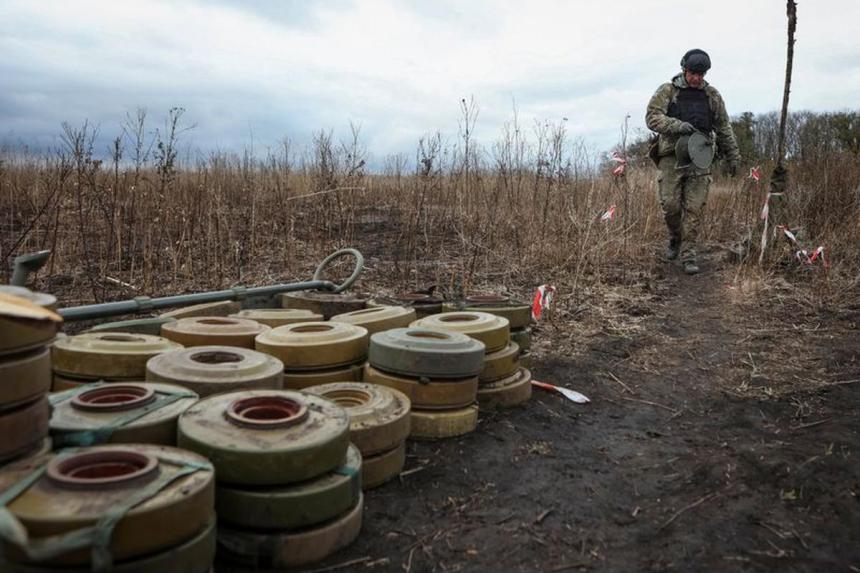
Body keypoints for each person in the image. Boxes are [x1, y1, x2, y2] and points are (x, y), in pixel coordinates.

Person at [646, 49, 741, 274]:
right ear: (684, 70)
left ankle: (689, 255)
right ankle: (675, 238)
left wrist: (733, 156)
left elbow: (724, 127)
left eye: (701, 74)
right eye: (693, 73)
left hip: (701, 157)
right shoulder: (667, 91)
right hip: (671, 157)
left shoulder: (712, 96)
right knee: (670, 206)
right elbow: (652, 116)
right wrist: (676, 125)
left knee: (694, 209)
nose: (697, 78)